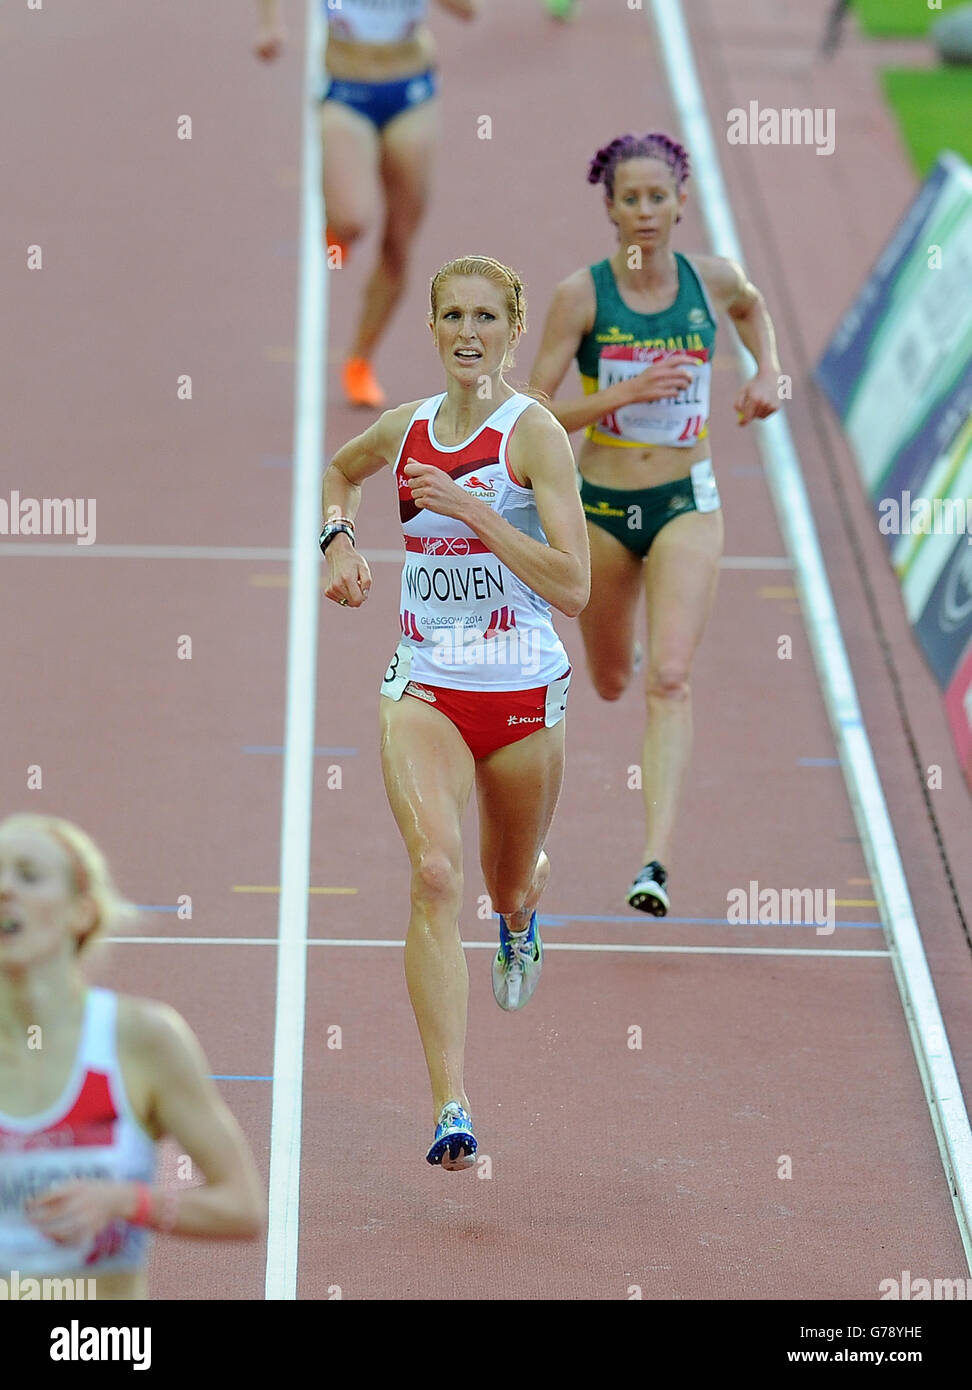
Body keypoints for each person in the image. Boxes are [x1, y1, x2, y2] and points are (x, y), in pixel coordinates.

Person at [320, 255, 589, 1168]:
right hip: (427, 684)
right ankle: (450, 1106)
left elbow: (576, 585)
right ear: (431, 329)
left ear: (514, 331)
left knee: (502, 883)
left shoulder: (535, 436)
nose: (468, 332)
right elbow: (339, 471)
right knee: (436, 874)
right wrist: (339, 542)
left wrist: (480, 518)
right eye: (452, 316)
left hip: (521, 692)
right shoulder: (404, 431)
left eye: (486, 317)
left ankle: (521, 913)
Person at [528, 132, 782, 917]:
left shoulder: (712, 281)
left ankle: (654, 863)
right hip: (602, 510)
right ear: (608, 207)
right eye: (629, 199)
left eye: (657, 197)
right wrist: (616, 398)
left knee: (670, 680)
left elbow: (753, 310)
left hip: (686, 503)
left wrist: (767, 371)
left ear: (681, 201)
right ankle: (620, 646)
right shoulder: (582, 296)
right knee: (610, 681)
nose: (644, 211)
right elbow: (532, 415)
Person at [0, 813, 266, 1300]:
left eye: (28, 876)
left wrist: (125, 1202)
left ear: (82, 911)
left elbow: (242, 1205)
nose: (4, 890)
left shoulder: (140, 1039)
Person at [255, 0, 479, 408]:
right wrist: (270, 25)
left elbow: (469, 10)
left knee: (397, 245)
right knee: (353, 220)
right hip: (346, 90)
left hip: (411, 92)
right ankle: (337, 229)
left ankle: (359, 360)